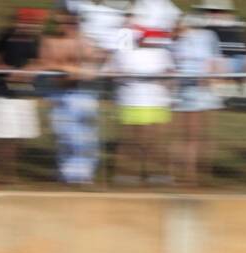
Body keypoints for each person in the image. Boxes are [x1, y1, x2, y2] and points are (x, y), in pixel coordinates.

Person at [0, 8, 47, 183]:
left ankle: (10, 172)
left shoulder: (35, 39)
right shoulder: (4, 36)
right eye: (23, 21)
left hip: (23, 93)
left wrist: (29, 71)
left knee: (20, 136)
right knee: (1, 135)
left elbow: (41, 61)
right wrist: (2, 68)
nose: (26, 25)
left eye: (30, 22)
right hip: (2, 93)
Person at [40, 10, 102, 185]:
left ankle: (84, 174)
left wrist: (68, 69)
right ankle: (66, 173)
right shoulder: (51, 41)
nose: (68, 26)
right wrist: (72, 69)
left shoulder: (86, 42)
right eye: (65, 22)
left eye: (73, 23)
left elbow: (91, 72)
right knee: (64, 135)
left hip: (83, 95)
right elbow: (48, 65)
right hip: (59, 94)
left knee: (85, 138)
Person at [110, 26, 175, 184]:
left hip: (157, 103)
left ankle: (158, 174)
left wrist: (166, 83)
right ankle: (126, 174)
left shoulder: (164, 53)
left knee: (156, 141)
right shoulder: (124, 52)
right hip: (132, 102)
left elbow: (172, 75)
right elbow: (112, 73)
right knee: (130, 141)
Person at [172, 13, 225, 185]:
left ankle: (203, 171)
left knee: (203, 133)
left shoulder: (207, 36)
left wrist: (215, 77)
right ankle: (188, 172)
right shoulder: (176, 41)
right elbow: (173, 64)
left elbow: (215, 58)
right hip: (186, 91)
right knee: (188, 134)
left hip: (204, 90)